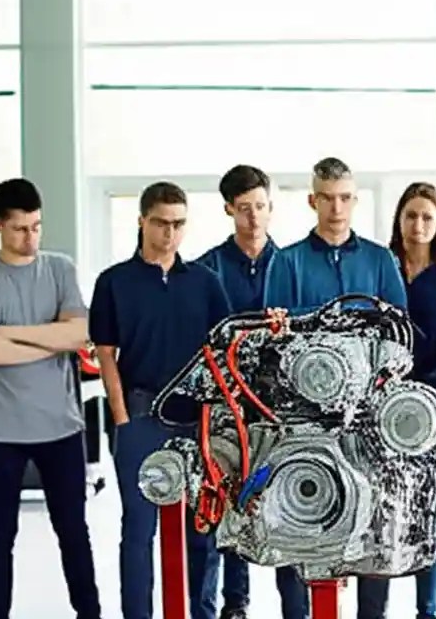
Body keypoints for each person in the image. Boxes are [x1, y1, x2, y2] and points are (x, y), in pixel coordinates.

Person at [0, 178, 102, 619]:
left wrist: (10, 332)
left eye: (36, 227)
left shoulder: (60, 269)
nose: (31, 237)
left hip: (60, 425)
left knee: (73, 531)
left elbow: (80, 333)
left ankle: (90, 614)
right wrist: (49, 341)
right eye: (20, 229)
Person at [269, 157, 407, 619]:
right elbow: (275, 343)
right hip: (302, 417)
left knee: (374, 519)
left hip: (367, 416)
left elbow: (399, 335)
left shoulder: (380, 260)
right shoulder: (286, 262)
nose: (336, 207)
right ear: (313, 200)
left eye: (345, 198)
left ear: (355, 200)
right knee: (294, 513)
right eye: (327, 198)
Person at [90, 182, 232, 619]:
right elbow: (105, 353)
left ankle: (203, 613)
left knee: (202, 528)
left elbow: (223, 352)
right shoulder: (114, 282)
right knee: (138, 528)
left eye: (178, 224)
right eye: (161, 223)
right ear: (141, 221)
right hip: (140, 414)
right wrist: (120, 415)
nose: (170, 233)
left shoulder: (206, 283)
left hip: (197, 419)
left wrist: (218, 417)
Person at [194, 165, 287, 619]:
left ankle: (296, 607)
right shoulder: (206, 269)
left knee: (288, 497)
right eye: (244, 208)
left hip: (281, 404)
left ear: (271, 207)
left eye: (261, 207)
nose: (254, 217)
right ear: (229, 209)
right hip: (225, 403)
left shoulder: (291, 265)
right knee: (225, 501)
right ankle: (232, 604)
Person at [388, 181, 436, 619]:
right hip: (386, 399)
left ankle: (426, 608)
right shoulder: (385, 266)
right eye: (411, 215)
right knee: (386, 505)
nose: (418, 224)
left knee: (428, 506)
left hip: (434, 398)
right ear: (399, 220)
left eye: (427, 217)